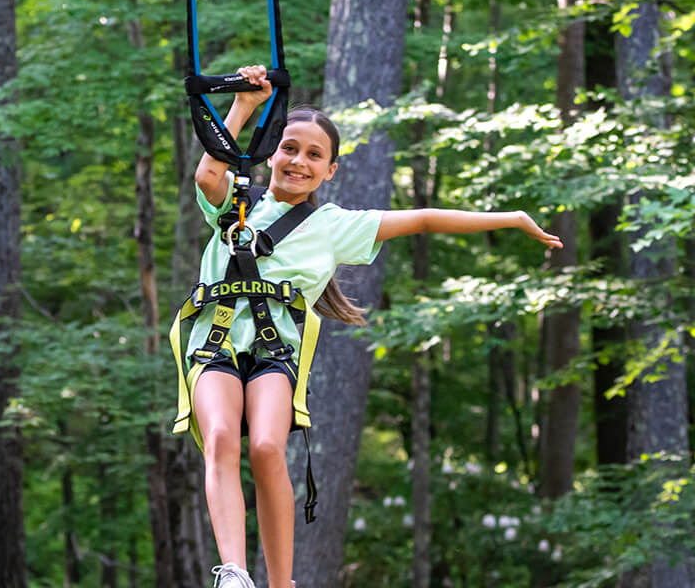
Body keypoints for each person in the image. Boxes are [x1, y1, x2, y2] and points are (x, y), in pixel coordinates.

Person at [180, 65, 562, 588]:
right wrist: (245, 105)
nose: (298, 161)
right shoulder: (238, 201)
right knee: (221, 435)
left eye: (315, 155)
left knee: (268, 446)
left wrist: (511, 217)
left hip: (274, 353)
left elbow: (424, 218)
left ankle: (282, 583)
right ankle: (234, 572)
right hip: (215, 342)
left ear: (331, 171)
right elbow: (207, 173)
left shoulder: (336, 226)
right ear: (271, 151)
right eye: (290, 148)